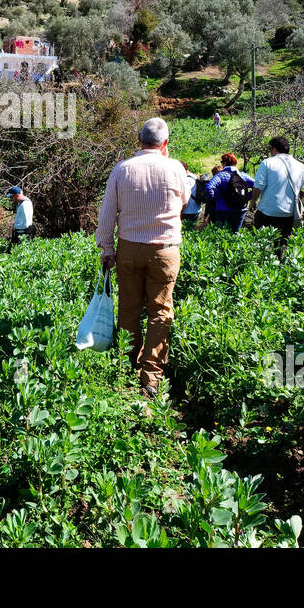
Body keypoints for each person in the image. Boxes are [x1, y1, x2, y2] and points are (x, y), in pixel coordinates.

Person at [95, 117, 191, 399]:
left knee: (129, 308)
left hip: (129, 248)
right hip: (164, 249)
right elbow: (184, 201)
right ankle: (150, 376)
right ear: (165, 143)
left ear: (139, 140)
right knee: (160, 311)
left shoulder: (122, 169)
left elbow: (107, 214)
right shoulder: (175, 168)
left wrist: (106, 248)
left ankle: (127, 365)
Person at [247, 136, 304, 259]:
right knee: (281, 245)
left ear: (274, 149)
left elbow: (258, 186)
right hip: (288, 214)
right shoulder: (299, 165)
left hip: (267, 212)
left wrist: (253, 201)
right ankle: (280, 269)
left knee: (260, 243)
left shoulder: (267, 163)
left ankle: (261, 269)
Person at [205, 152, 255, 233]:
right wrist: (247, 197)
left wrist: (216, 198)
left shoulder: (220, 175)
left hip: (222, 209)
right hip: (240, 209)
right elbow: (257, 186)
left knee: (220, 235)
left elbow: (209, 187)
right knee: (235, 234)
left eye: (222, 162)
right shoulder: (243, 175)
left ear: (224, 163)